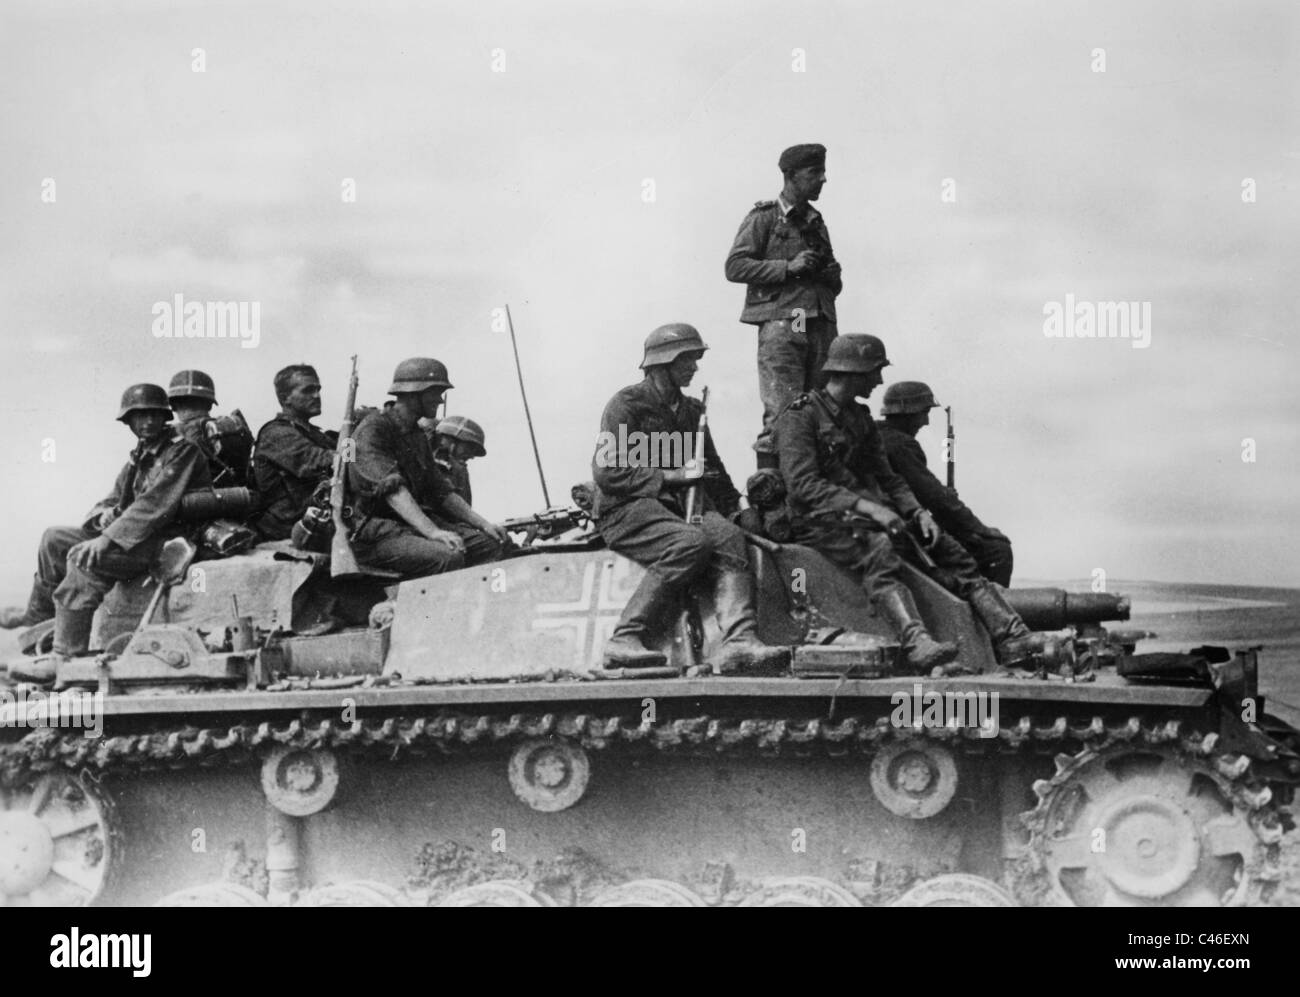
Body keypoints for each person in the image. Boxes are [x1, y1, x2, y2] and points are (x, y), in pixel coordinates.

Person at [774, 336, 1048, 673]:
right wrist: (871, 509)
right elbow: (803, 485)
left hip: (861, 517)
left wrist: (917, 513)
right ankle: (916, 641)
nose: (879, 382)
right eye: (874, 372)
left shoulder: (859, 418)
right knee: (879, 549)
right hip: (817, 523)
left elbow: (888, 477)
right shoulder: (799, 418)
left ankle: (1012, 636)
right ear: (852, 372)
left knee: (951, 552)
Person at [591, 323, 789, 674]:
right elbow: (607, 472)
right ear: (663, 363)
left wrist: (737, 510)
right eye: (687, 361)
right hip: (627, 508)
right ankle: (625, 637)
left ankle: (739, 642)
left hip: (683, 506)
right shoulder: (627, 405)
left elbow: (712, 469)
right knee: (690, 542)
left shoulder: (693, 411)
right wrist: (672, 476)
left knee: (729, 538)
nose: (694, 368)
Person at [1, 384, 212, 680]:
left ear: (164, 416)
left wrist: (106, 539)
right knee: (55, 539)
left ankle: (64, 655)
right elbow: (114, 500)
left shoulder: (182, 451)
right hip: (136, 537)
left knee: (87, 560)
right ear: (128, 421)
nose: (147, 422)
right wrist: (99, 519)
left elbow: (155, 505)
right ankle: (40, 630)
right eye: (139, 416)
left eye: (154, 415)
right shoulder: (140, 455)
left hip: (166, 543)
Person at [725, 143, 842, 468]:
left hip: (817, 325)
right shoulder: (764, 218)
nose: (822, 179)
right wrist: (788, 267)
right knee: (782, 411)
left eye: (822, 172)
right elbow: (735, 267)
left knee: (820, 411)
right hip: (785, 324)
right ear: (791, 175)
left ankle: (808, 493)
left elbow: (833, 282)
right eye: (814, 172)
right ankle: (771, 498)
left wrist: (832, 275)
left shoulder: (816, 222)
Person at [345, 358, 506, 577]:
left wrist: (484, 524)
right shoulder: (372, 430)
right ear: (413, 392)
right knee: (447, 555)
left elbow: (440, 491)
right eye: (435, 392)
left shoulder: (416, 435)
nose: (440, 400)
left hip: (408, 527)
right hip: (375, 533)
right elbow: (393, 491)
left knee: (491, 544)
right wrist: (433, 532)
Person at [877, 381, 1014, 587]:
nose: (926, 421)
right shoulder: (901, 445)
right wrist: (980, 530)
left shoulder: (880, 436)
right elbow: (936, 498)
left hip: (892, 523)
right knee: (996, 550)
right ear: (909, 412)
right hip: (900, 530)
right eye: (924, 412)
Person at [250, 364, 339, 541]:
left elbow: (347, 459)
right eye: (308, 390)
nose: (317, 395)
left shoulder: (315, 434)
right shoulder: (275, 433)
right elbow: (324, 460)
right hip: (286, 527)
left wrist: (351, 439)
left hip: (316, 520)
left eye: (318, 389)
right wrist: (351, 440)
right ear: (285, 398)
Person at [167, 369, 254, 487]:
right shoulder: (232, 426)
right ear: (210, 404)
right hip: (237, 497)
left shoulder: (172, 434)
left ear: (173, 405)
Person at [426, 415, 485, 505]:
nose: (472, 456)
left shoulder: (460, 471)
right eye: (469, 448)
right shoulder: (424, 460)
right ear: (451, 439)